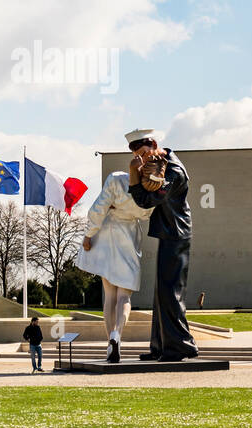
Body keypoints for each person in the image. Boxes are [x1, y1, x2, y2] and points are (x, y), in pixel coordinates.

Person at [125, 129, 199, 363]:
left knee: (170, 293)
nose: (143, 160)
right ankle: (160, 346)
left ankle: (181, 346)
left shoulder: (173, 170)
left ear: (155, 144)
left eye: (144, 153)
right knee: (161, 294)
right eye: (139, 157)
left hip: (177, 234)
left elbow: (148, 200)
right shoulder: (163, 163)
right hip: (169, 233)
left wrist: (133, 175)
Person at [77, 168, 155, 363]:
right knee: (124, 296)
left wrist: (89, 234)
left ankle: (110, 343)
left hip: (107, 234)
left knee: (110, 295)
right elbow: (146, 215)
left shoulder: (116, 179)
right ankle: (116, 335)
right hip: (128, 237)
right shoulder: (149, 191)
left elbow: (98, 208)